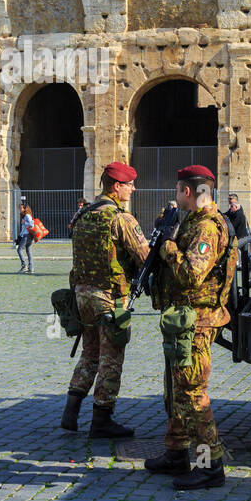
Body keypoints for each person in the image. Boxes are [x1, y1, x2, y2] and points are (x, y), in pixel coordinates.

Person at [144, 165, 236, 490]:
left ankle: (209, 466)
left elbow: (191, 275)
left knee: (193, 394)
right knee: (176, 390)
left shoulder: (207, 229)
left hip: (196, 321)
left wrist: (168, 247)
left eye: (178, 190)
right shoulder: (194, 222)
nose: (176, 197)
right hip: (183, 320)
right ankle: (177, 453)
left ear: (187, 191)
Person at [61, 161, 151, 438]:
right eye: (130, 185)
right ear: (116, 187)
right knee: (111, 359)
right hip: (109, 299)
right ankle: (101, 420)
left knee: (90, 354)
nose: (134, 189)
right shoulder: (120, 219)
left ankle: (70, 412)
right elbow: (144, 256)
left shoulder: (83, 215)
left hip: (82, 296)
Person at [14, 203, 36, 275]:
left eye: (21, 208)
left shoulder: (27, 215)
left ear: (25, 208)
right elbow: (24, 229)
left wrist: (25, 222)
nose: (20, 209)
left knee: (19, 250)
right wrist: (19, 237)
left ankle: (24, 266)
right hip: (27, 235)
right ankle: (31, 268)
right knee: (28, 251)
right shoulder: (25, 216)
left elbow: (31, 224)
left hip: (27, 236)